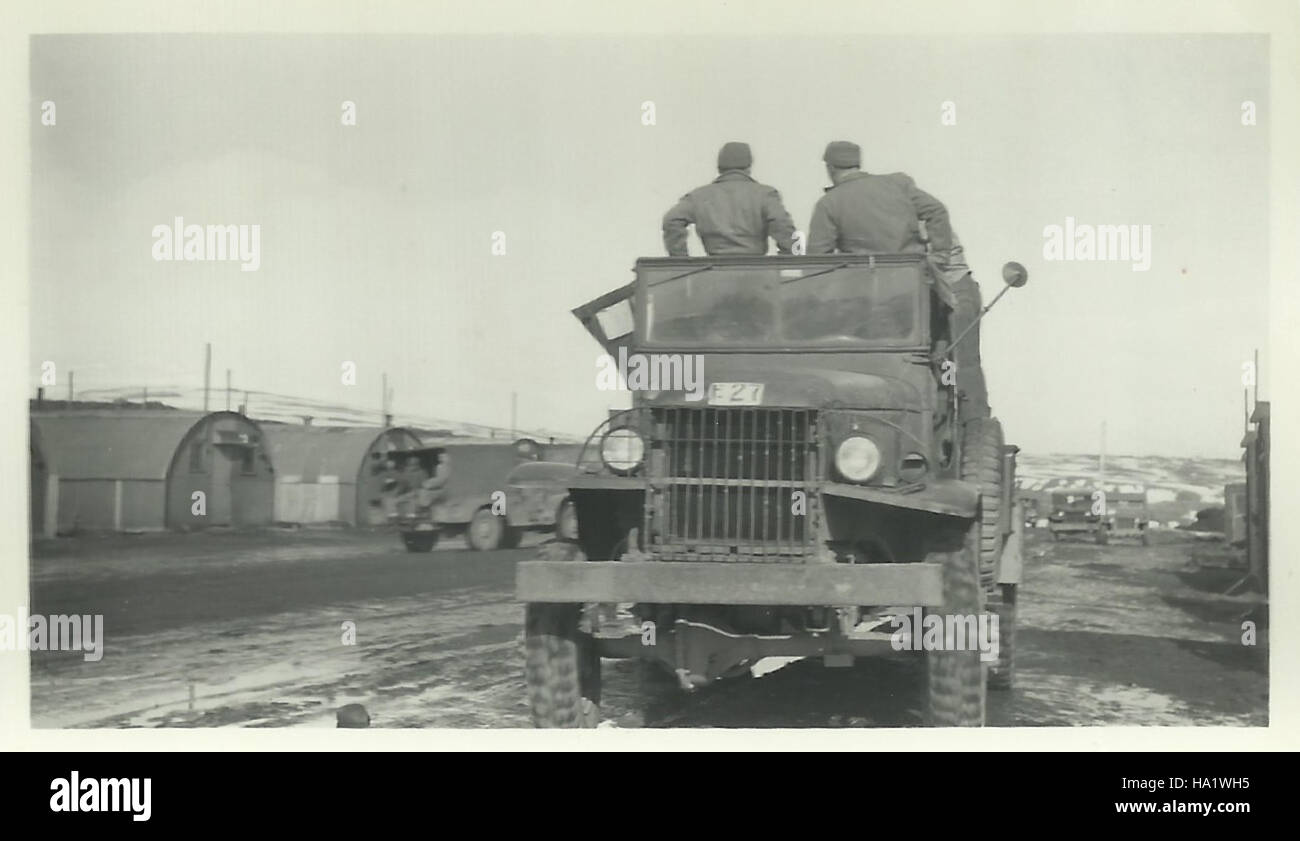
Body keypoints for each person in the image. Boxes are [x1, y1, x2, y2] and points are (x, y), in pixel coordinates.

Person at [810, 141, 987, 417]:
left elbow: (817, 263)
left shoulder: (832, 203)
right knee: (950, 363)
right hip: (921, 294)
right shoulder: (901, 193)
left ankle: (971, 427)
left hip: (930, 294)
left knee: (950, 362)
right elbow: (938, 215)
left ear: (830, 168)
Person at [807, 140, 952, 256]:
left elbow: (817, 260)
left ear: (830, 168)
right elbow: (937, 210)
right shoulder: (897, 184)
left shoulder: (828, 203)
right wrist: (940, 257)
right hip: (912, 279)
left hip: (862, 285)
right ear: (858, 163)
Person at [662, 142, 797, 257]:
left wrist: (682, 261)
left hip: (712, 275)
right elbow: (785, 229)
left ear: (719, 167)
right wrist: (784, 261)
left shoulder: (698, 197)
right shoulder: (765, 195)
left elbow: (671, 220)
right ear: (749, 166)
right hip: (757, 275)